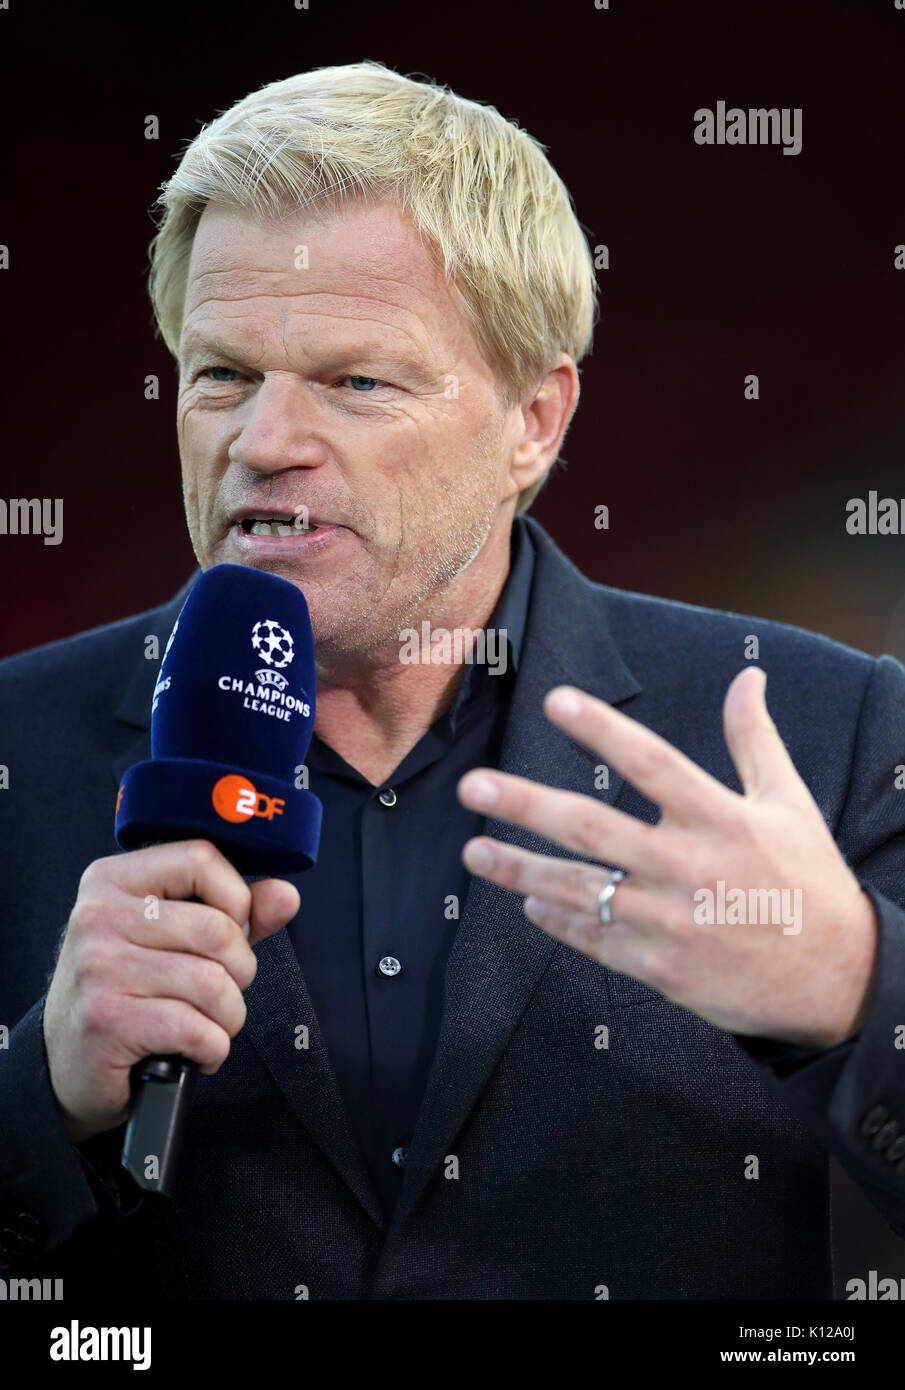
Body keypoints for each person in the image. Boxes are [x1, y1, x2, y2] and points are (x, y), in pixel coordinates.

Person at [0, 60, 902, 1301]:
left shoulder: (824, 727)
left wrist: (857, 989)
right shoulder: (14, 744)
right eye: (220, 375)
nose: (263, 442)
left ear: (533, 420)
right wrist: (37, 1097)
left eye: (355, 381)